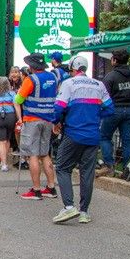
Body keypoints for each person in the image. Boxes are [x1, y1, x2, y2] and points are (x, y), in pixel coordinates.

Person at [51, 56, 115, 224]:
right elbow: (109, 109)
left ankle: (69, 207)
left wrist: (56, 122)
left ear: (73, 68)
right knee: (87, 173)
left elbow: (59, 108)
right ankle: (84, 212)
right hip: (93, 134)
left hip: (73, 133)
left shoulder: (68, 84)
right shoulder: (98, 84)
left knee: (63, 167)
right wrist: (94, 115)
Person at [14, 53, 58, 201]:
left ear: (31, 66)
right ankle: (51, 187)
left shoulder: (30, 79)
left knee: (32, 154)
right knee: (45, 154)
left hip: (32, 119)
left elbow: (19, 99)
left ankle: (36, 190)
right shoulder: (53, 77)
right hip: (48, 119)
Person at [97, 49, 130, 176]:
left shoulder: (110, 76)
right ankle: (127, 170)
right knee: (127, 141)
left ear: (114, 60)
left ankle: (109, 165)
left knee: (104, 137)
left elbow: (103, 95)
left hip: (113, 110)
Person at [0, 76, 17, 172]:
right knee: (7, 139)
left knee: (1, 141)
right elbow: (16, 105)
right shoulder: (12, 94)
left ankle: (4, 163)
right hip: (11, 116)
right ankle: (5, 160)